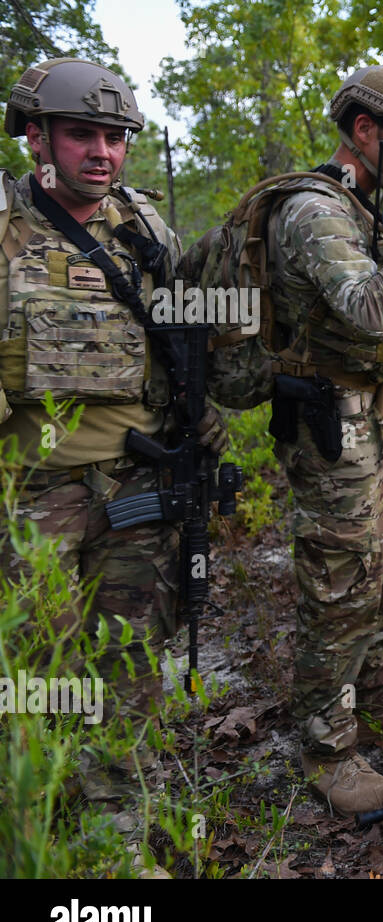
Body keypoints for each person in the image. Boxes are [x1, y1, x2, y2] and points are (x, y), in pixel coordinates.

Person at [1, 59, 220, 845]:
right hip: (35, 489)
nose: (102, 151)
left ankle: (115, 821)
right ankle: (35, 812)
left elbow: (178, 336)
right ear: (37, 135)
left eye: (115, 137)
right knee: (33, 665)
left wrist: (200, 419)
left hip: (137, 479)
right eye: (82, 134)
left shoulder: (144, 227)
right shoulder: (7, 225)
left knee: (127, 656)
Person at [266, 64, 383, 813]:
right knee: (339, 588)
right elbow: (373, 311)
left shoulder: (361, 211)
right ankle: (326, 749)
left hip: (370, 418)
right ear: (365, 131)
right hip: (326, 426)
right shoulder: (316, 212)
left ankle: (368, 702)